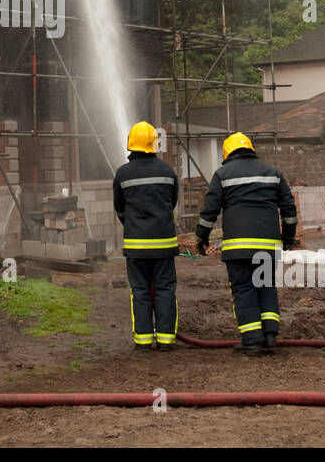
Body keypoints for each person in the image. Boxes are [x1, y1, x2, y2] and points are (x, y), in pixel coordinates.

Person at [195, 133, 297, 356]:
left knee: (243, 289)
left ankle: (251, 341)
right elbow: (289, 210)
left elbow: (210, 211)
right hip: (268, 247)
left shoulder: (222, 174)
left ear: (227, 153)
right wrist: (289, 238)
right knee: (265, 285)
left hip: (238, 248)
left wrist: (200, 237)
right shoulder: (273, 173)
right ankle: (270, 335)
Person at [113, 121, 180, 352]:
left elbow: (119, 208)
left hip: (136, 245)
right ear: (154, 144)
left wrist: (132, 224)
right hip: (164, 244)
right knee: (165, 290)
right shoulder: (167, 171)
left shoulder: (122, 173)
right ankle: (166, 340)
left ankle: (142, 341)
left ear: (131, 144)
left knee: (140, 291)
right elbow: (173, 201)